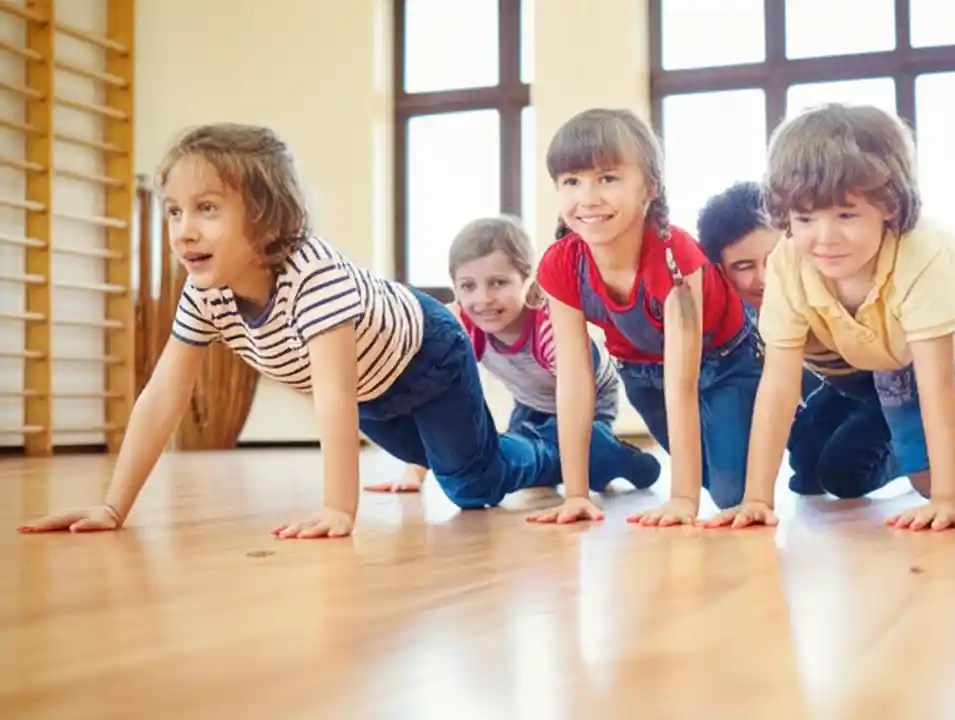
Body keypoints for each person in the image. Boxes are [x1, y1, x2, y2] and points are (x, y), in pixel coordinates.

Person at [17, 123, 559, 539]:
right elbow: (164, 392)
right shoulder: (205, 289)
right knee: (444, 461)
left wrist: (337, 508)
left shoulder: (312, 274)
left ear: (270, 218)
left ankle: (562, 449)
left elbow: (333, 393)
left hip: (428, 356)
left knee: (473, 486)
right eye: (174, 211)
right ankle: (488, 451)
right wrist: (113, 506)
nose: (185, 230)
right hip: (374, 389)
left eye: (207, 209)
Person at [707, 103, 955, 531]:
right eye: (805, 218)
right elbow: (778, 384)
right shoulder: (789, 262)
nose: (825, 238)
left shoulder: (921, 258)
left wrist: (947, 504)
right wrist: (757, 497)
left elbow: (936, 383)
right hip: (892, 350)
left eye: (846, 214)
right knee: (925, 480)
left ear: (889, 205)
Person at [527, 108, 761, 527]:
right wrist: (576, 493)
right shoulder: (561, 265)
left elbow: (683, 381)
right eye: (572, 182)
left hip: (727, 358)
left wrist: (683, 501)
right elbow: (575, 379)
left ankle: (782, 408)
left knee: (729, 494)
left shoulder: (674, 258)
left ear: (649, 187)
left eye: (608, 178)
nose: (588, 198)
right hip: (642, 371)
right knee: (709, 472)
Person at [368, 216, 661, 496]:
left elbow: (576, 391)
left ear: (527, 281)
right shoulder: (459, 326)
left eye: (498, 283)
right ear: (455, 288)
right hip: (531, 404)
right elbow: (429, 395)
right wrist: (415, 471)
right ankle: (589, 456)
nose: (483, 299)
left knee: (583, 454)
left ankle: (625, 459)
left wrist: (576, 493)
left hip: (585, 400)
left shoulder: (547, 326)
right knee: (523, 463)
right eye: (468, 286)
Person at [695, 181, 896, 501]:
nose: (765, 277)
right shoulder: (752, 317)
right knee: (805, 471)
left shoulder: (828, 274)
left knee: (842, 474)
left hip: (896, 382)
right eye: (744, 267)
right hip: (845, 386)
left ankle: (914, 452)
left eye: (773, 257)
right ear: (722, 273)